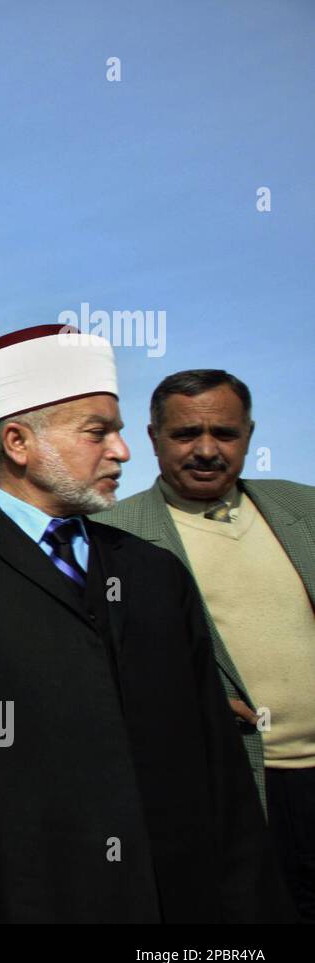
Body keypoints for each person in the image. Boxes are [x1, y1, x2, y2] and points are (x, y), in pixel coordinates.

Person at [0, 324, 292, 922]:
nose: (122, 451)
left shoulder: (152, 572)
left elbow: (221, 780)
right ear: (18, 441)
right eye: (98, 432)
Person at [100, 369, 315, 920]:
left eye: (224, 433)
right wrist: (188, 703)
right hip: (234, 788)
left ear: (248, 433)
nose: (205, 450)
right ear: (152, 438)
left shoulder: (303, 511)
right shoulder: (113, 539)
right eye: (185, 435)